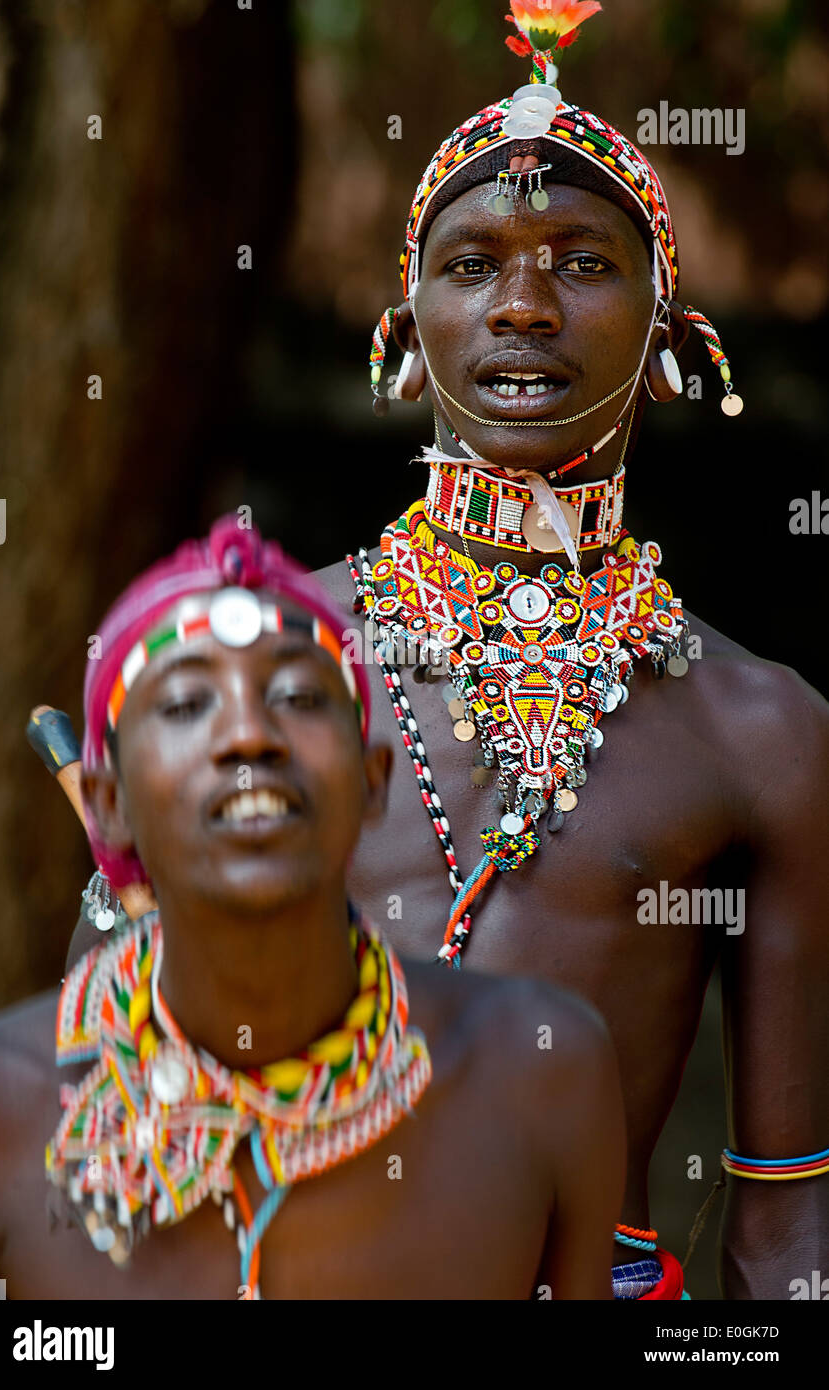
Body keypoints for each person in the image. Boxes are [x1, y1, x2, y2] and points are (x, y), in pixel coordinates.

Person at [319, 2, 828, 1297]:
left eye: (583, 263)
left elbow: (782, 1232)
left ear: (667, 340)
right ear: (404, 326)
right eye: (473, 262)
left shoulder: (756, 729)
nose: (525, 306)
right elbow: (104, 1137)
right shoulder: (259, 661)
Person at [0, 515, 624, 1300]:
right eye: (184, 706)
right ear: (107, 806)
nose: (248, 734)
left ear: (374, 779)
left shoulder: (541, 1073)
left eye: (297, 696)